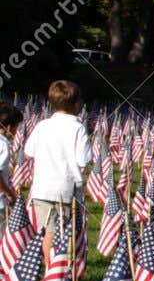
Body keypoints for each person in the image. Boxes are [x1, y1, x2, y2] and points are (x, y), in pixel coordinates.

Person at [24, 80, 93, 240]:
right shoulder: (78, 128)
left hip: (41, 188)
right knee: (59, 234)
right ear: (76, 104)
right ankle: (53, 264)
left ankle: (51, 264)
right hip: (66, 189)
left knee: (47, 231)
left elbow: (28, 153)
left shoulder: (42, 125)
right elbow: (84, 160)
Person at [0, 103, 21, 217]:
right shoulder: (3, 145)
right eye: (16, 127)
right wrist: (9, 193)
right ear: (8, 127)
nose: (16, 131)